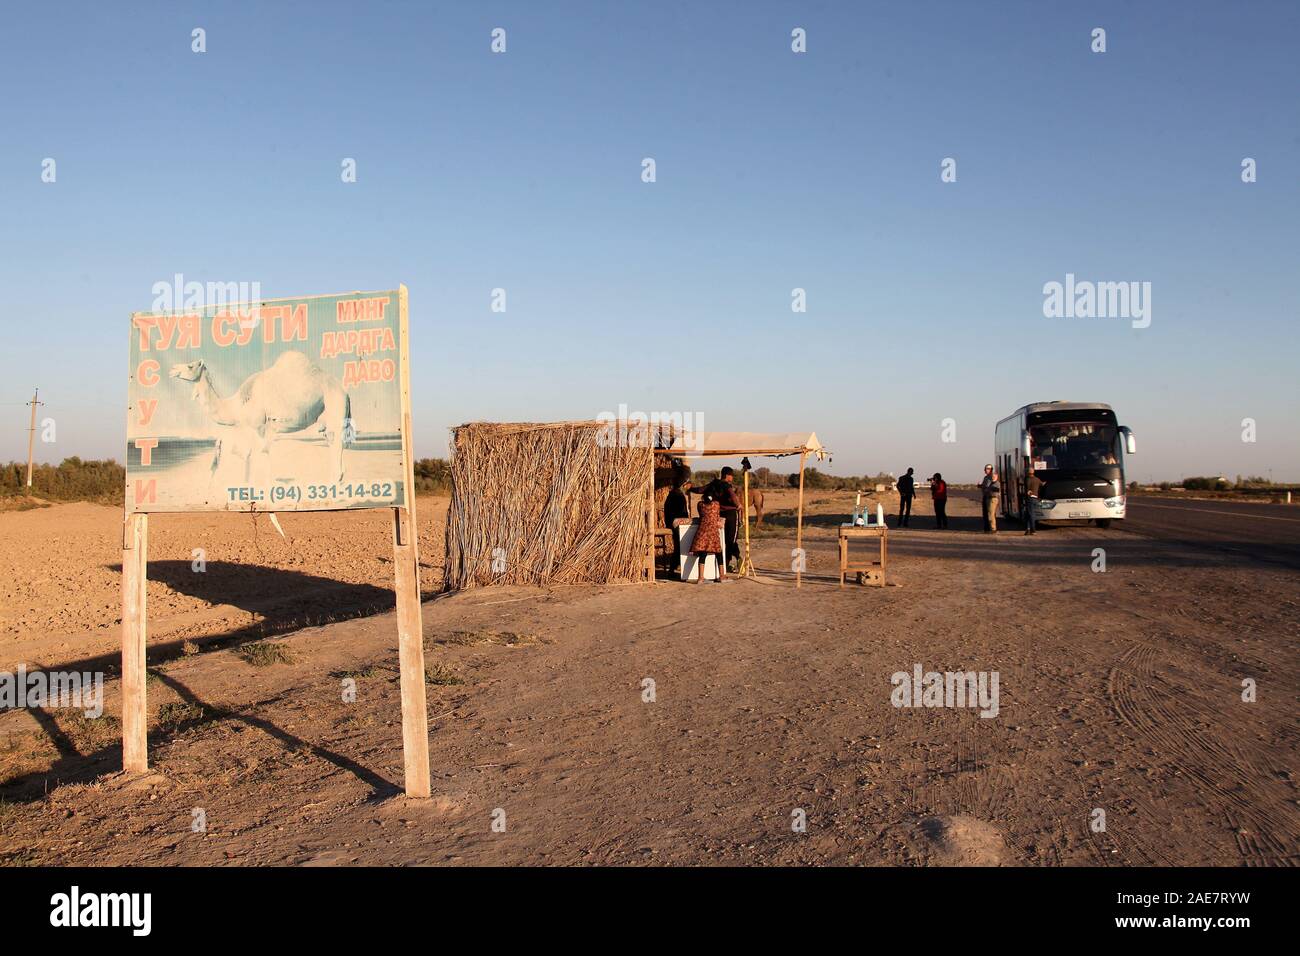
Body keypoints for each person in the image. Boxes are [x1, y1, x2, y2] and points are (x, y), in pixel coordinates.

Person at [698, 467, 742, 572]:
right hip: (731, 514)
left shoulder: (713, 484)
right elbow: (733, 495)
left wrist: (690, 488)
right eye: (731, 475)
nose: (732, 477)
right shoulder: (727, 485)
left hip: (718, 515)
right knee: (731, 540)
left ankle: (729, 561)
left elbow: (700, 490)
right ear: (727, 475)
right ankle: (733, 560)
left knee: (723, 539)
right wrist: (739, 505)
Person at [690, 493, 725, 584]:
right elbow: (717, 517)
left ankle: (700, 578)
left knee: (703, 553)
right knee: (718, 553)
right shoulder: (717, 504)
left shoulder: (700, 505)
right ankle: (722, 576)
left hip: (702, 532)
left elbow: (701, 514)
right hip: (713, 532)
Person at [1023, 461, 1043, 536]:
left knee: (1031, 514)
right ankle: (1027, 530)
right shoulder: (1037, 479)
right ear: (1033, 472)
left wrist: (1028, 492)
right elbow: (1042, 484)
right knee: (1029, 514)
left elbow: (1027, 488)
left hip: (1030, 498)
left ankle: (1033, 530)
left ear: (1027, 472)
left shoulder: (1027, 479)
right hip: (1035, 498)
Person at [979, 464, 1000, 534]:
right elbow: (985, 486)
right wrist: (981, 486)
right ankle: (987, 528)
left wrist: (986, 488)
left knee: (991, 513)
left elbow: (990, 487)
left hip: (991, 497)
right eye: (985, 469)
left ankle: (992, 528)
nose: (985, 470)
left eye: (987, 469)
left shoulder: (991, 478)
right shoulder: (986, 478)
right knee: (986, 513)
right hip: (986, 496)